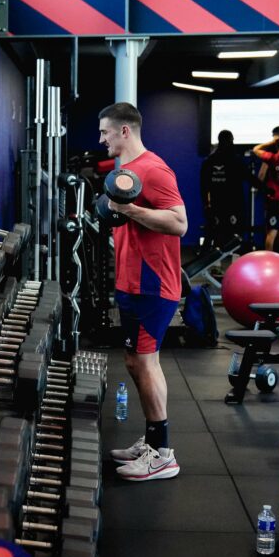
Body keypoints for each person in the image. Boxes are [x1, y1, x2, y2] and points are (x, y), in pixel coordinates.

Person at [100, 102, 187, 482]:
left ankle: (162, 455)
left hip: (153, 285)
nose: (100, 138)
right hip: (132, 282)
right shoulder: (127, 172)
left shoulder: (153, 169)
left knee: (146, 362)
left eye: (105, 132)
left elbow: (179, 223)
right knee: (136, 362)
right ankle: (153, 440)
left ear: (124, 131)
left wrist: (129, 210)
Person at [199, 129, 255, 250]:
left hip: (216, 205)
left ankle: (214, 265)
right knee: (235, 238)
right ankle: (235, 265)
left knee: (216, 236)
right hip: (234, 206)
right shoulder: (235, 160)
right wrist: (268, 190)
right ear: (230, 141)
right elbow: (250, 178)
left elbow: (203, 187)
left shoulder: (208, 161)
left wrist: (206, 205)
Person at [252, 126, 279, 250]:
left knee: (272, 231)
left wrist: (260, 188)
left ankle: (270, 257)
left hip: (274, 199)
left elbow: (262, 174)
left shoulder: (272, 156)